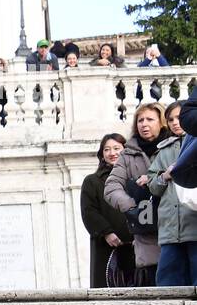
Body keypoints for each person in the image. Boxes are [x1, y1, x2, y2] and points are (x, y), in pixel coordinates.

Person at [105, 102, 169, 287]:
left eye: (150, 119)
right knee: (152, 281)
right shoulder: (127, 154)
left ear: (161, 122)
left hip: (173, 223)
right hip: (146, 226)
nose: (144, 124)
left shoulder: (173, 147)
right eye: (140, 120)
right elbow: (111, 187)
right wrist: (130, 206)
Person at [148, 102, 196, 286]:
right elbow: (153, 185)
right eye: (170, 119)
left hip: (193, 222)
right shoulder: (165, 150)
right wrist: (165, 176)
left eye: (179, 118)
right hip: (170, 228)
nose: (176, 123)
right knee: (167, 281)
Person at [80, 134, 132, 289]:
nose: (112, 153)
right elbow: (88, 211)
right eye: (107, 149)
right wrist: (106, 232)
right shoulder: (92, 181)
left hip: (136, 243)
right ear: (102, 154)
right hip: (106, 244)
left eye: (117, 148)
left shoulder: (135, 177)